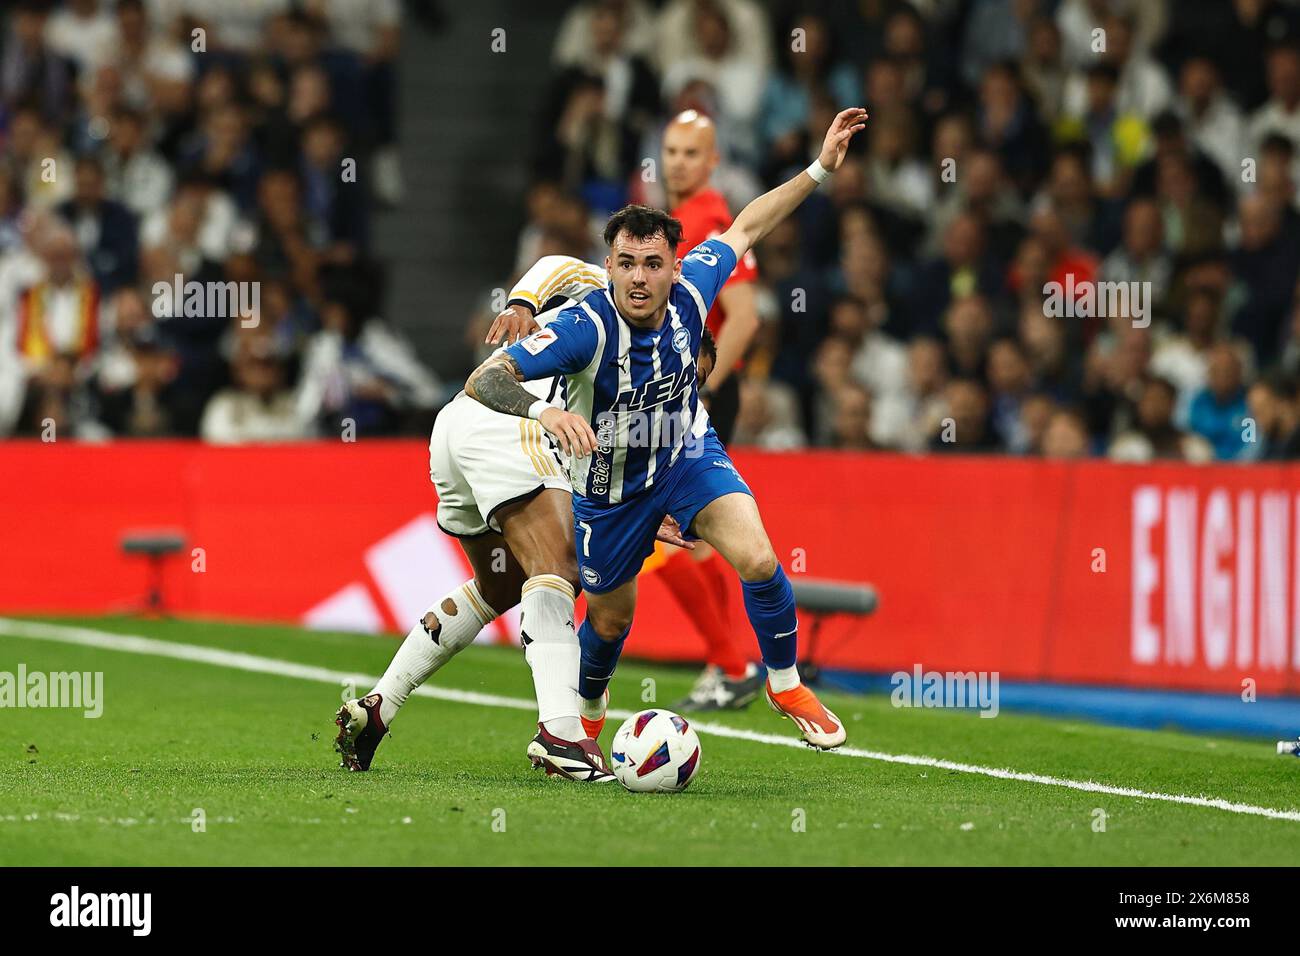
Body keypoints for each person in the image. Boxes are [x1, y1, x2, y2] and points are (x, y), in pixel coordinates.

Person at [465, 108, 868, 750]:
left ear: (675, 265)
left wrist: (820, 166)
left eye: (653, 264)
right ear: (611, 265)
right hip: (611, 489)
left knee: (760, 558)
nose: (639, 278)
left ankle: (785, 682)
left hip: (685, 457)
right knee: (609, 621)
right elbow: (484, 380)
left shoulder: (695, 287)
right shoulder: (583, 327)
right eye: (626, 264)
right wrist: (546, 412)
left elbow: (751, 222)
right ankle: (590, 717)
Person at [334, 258, 693, 781]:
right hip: (511, 421)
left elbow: (582, 465)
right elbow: (556, 264)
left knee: (502, 583)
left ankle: (379, 705)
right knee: (560, 568)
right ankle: (561, 735)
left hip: (457, 427)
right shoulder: (607, 301)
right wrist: (522, 301)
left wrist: (634, 505)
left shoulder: (636, 377)